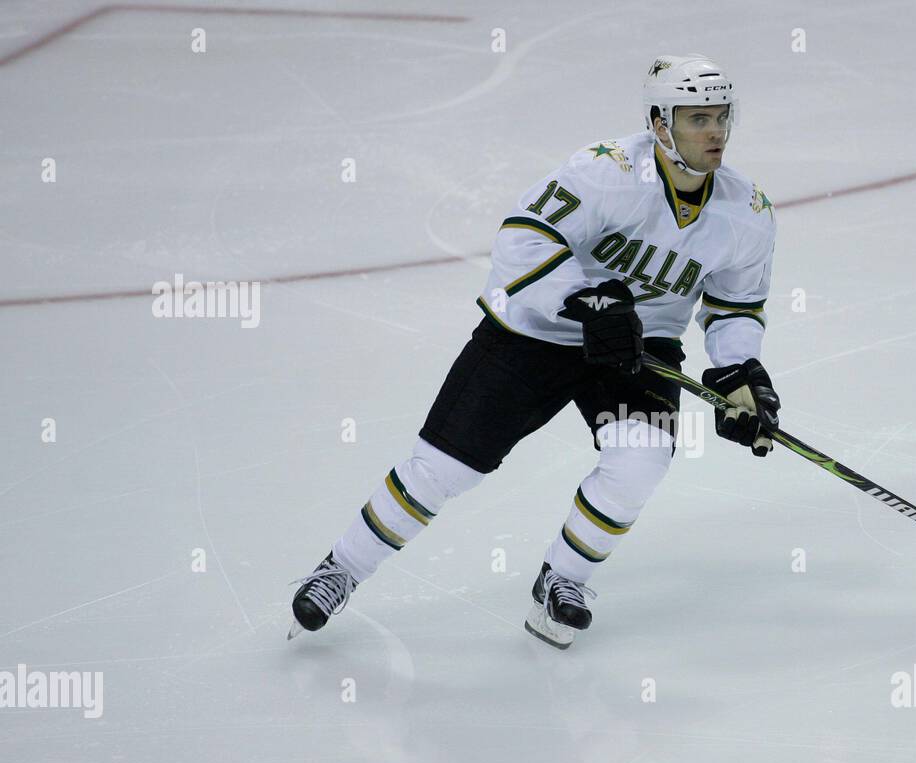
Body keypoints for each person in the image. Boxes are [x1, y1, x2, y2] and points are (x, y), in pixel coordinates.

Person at [288, 53, 780, 649]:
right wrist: (584, 300)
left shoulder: (748, 211)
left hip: (636, 349)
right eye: (698, 118)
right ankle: (340, 569)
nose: (716, 131)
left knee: (641, 460)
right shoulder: (604, 171)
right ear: (659, 123)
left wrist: (737, 372)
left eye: (722, 116)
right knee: (444, 469)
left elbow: (735, 306)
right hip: (535, 330)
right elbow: (523, 238)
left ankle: (562, 581)